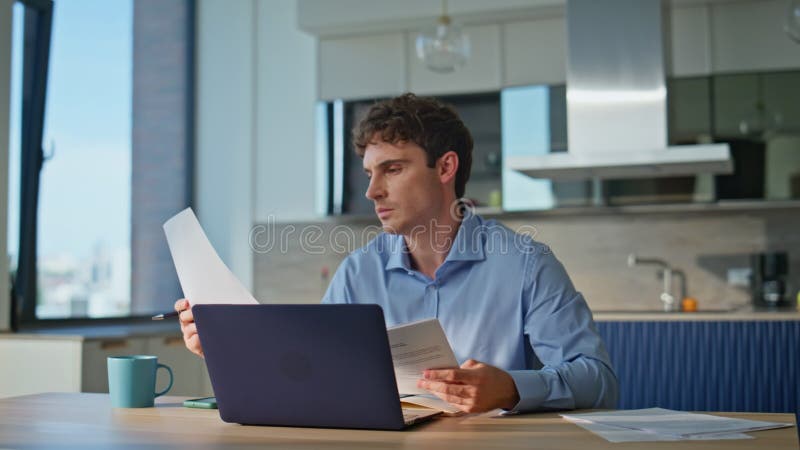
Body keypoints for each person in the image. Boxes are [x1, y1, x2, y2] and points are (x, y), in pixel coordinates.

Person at [176, 93, 618, 414]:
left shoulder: (525, 264)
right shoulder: (357, 273)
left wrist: (511, 389)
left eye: (393, 169)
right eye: (370, 172)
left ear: (445, 168)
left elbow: (598, 381)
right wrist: (228, 348)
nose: (372, 191)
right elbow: (313, 376)